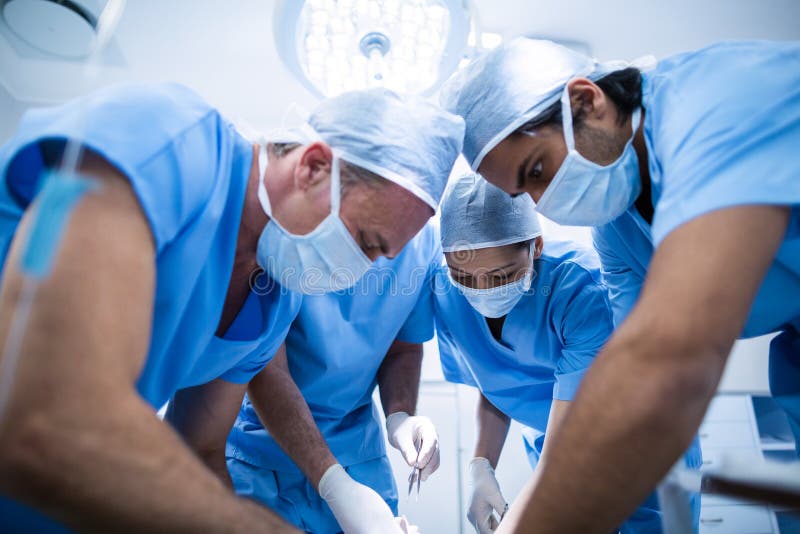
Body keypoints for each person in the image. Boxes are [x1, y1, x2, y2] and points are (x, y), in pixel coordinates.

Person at [0, 83, 464, 531]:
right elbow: (46, 421)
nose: (361, 271)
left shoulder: (271, 301)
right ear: (314, 166)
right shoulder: (169, 139)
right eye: (365, 242)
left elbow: (199, 451)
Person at [440, 37, 800, 532]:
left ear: (587, 101)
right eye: (526, 191)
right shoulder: (616, 233)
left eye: (538, 169)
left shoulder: (714, 103)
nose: (543, 202)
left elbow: (669, 358)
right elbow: (629, 380)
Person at [433, 173, 700, 533]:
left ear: (536, 246)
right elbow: (496, 381)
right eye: (464, 276)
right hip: (552, 449)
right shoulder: (448, 294)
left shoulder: (583, 289)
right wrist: (481, 464)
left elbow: (571, 440)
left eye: (500, 276)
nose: (481, 291)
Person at [176, 221, 442, 534]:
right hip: (263, 454)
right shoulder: (289, 234)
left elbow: (403, 348)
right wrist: (334, 485)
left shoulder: (423, 243)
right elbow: (265, 368)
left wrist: (400, 416)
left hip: (358, 453)